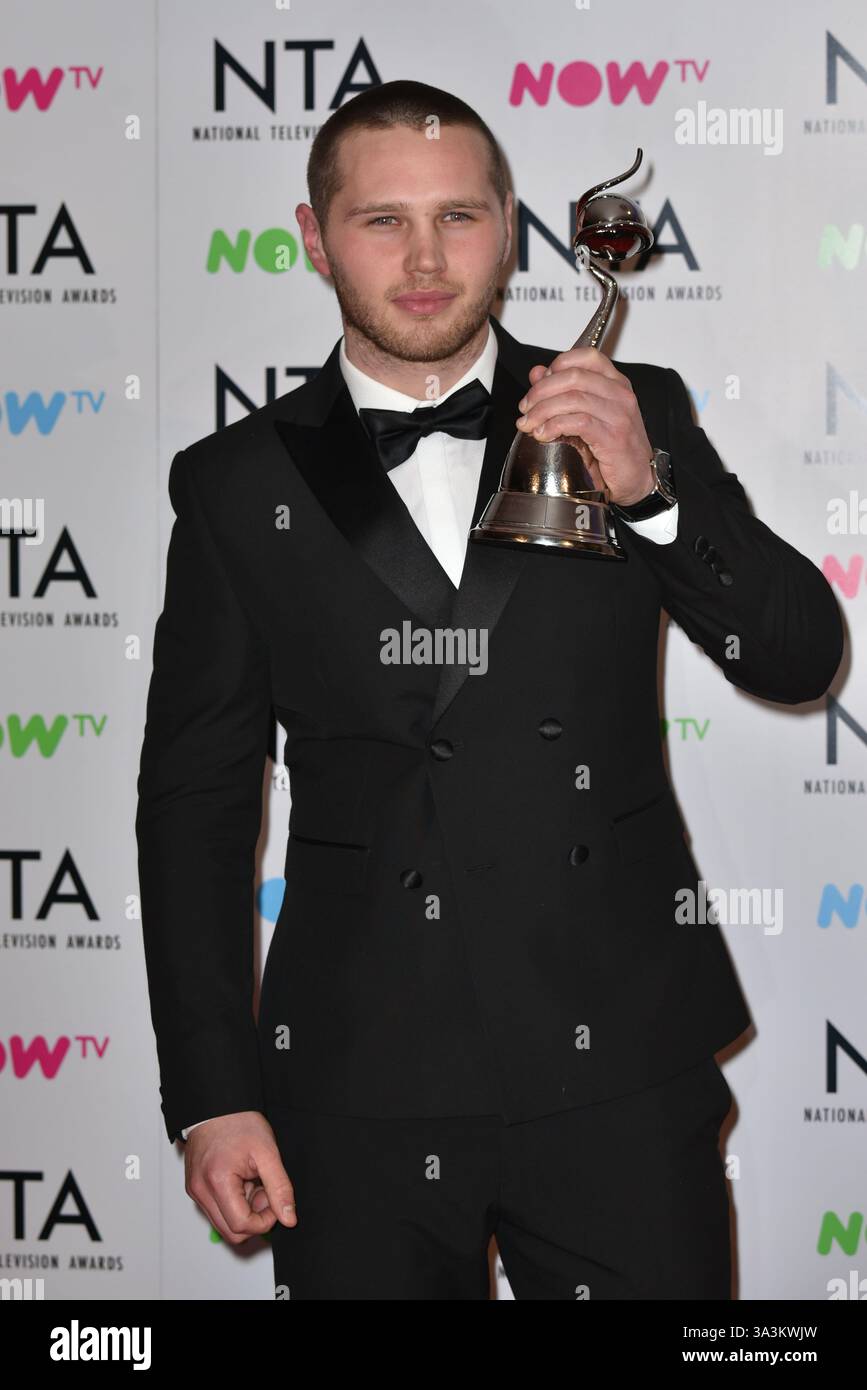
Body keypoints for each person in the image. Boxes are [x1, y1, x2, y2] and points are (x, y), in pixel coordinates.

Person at [135, 80, 844, 1300]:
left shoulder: (633, 409)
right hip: (354, 1084)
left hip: (615, 1063)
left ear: (512, 228)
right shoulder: (231, 482)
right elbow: (194, 804)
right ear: (313, 236)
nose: (424, 260)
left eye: (459, 217)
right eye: (381, 221)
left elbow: (797, 656)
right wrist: (214, 1093)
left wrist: (653, 494)